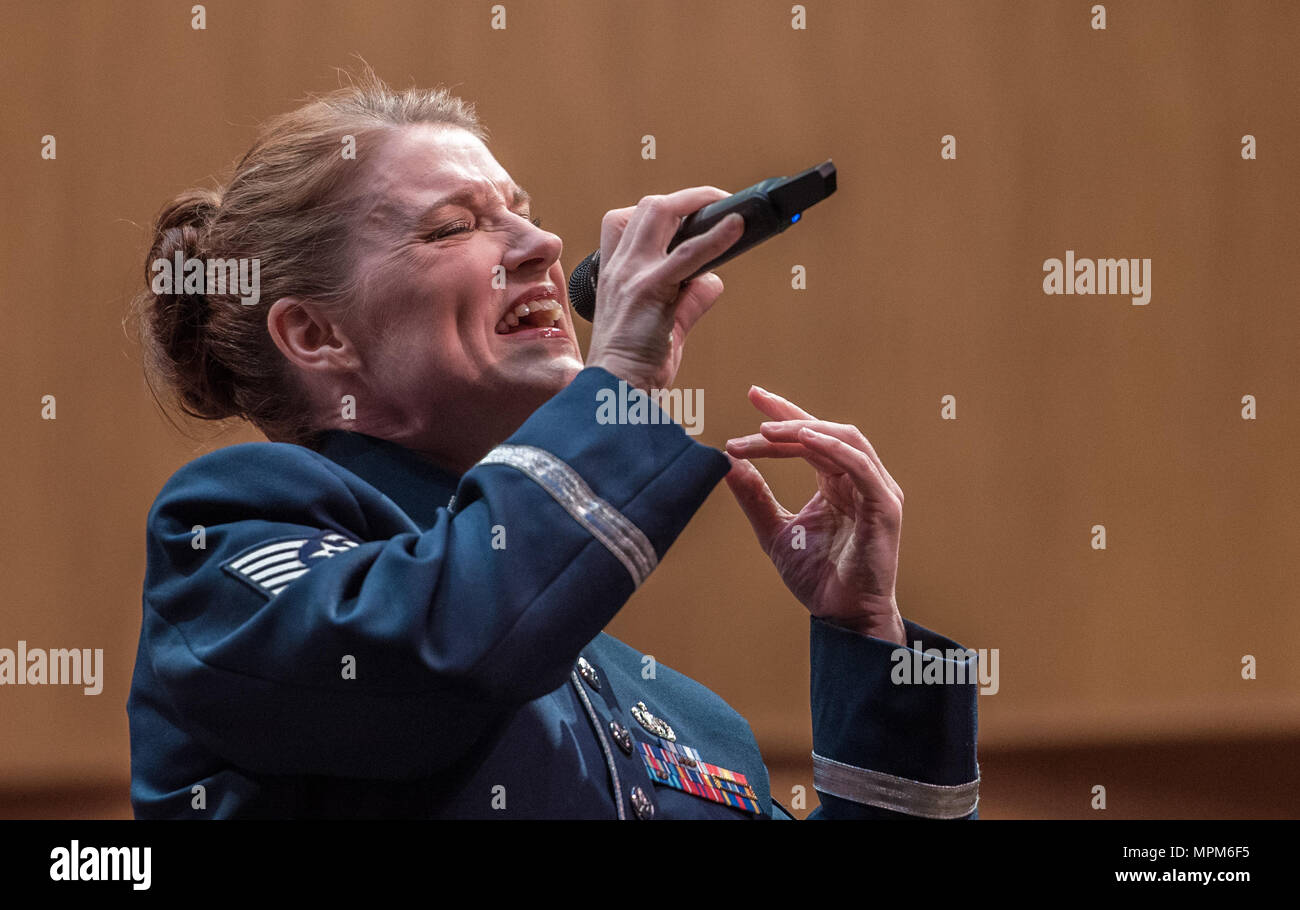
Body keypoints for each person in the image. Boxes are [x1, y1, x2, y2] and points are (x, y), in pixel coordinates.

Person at [126, 70, 980, 819]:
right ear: (316, 335)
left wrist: (868, 638)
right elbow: (440, 655)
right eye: (453, 228)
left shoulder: (691, 725)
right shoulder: (224, 542)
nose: (542, 249)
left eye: (523, 215)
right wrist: (623, 385)